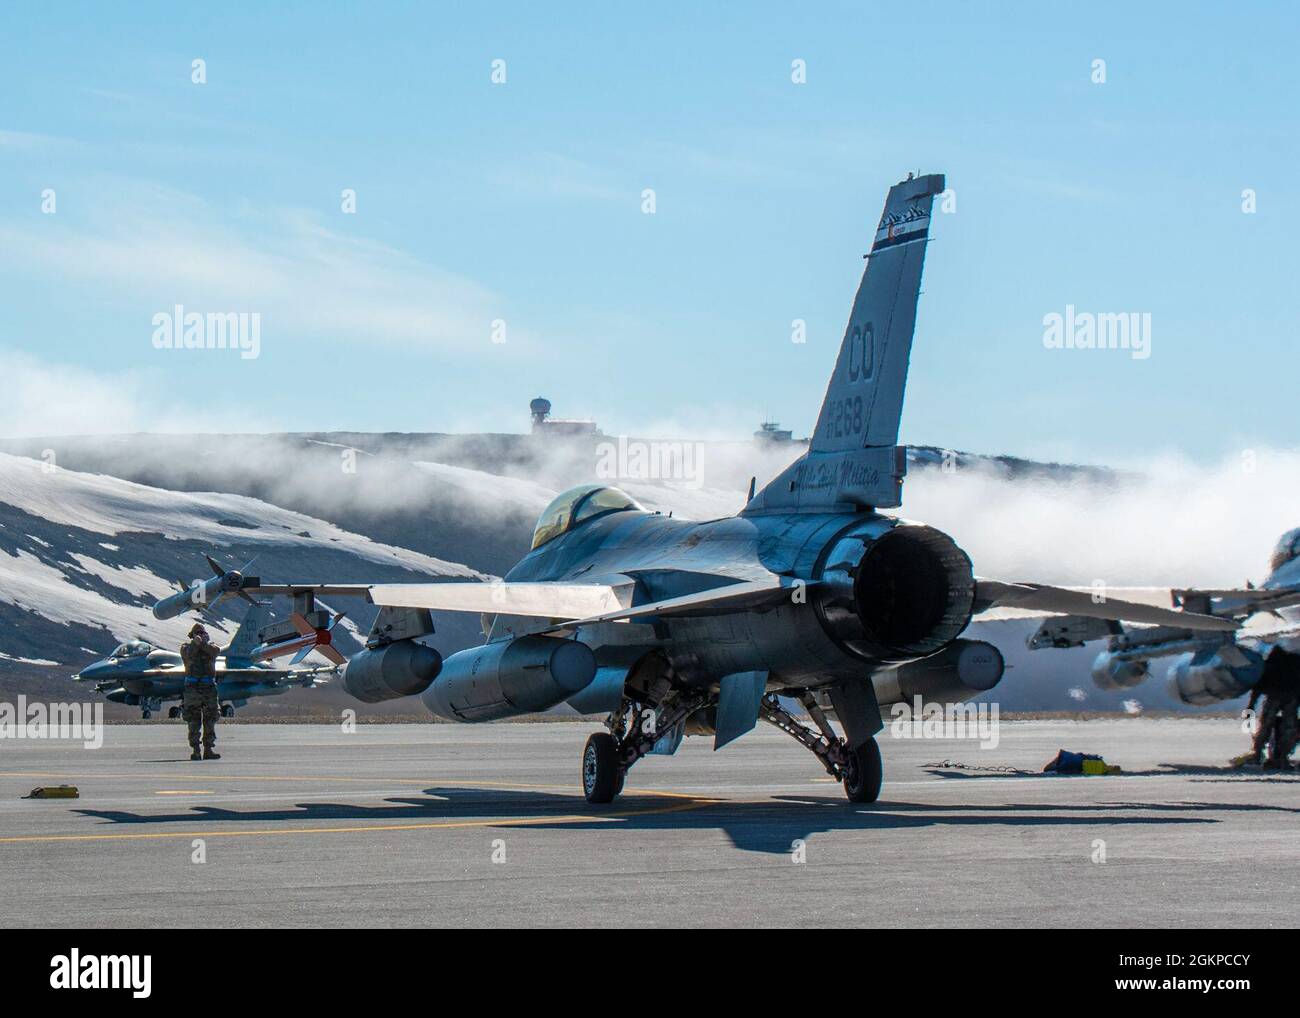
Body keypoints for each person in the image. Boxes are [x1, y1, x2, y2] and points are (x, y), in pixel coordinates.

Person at [1246, 647, 1300, 769]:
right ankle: (1282, 758)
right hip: (1291, 698)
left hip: (1274, 697)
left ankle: (1257, 755)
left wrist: (1251, 705)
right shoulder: (1295, 664)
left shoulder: (1271, 665)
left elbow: (1259, 686)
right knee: (1289, 729)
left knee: (1265, 727)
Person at [180, 623, 221, 761]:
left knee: (210, 718)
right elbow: (187, 655)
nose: (199, 635)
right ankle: (196, 750)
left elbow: (215, 652)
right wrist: (195, 644)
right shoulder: (186, 647)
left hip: (208, 687)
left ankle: (208, 749)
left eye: (201, 633)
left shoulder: (211, 647)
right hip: (192, 688)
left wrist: (203, 644)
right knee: (193, 719)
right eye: (196, 634)